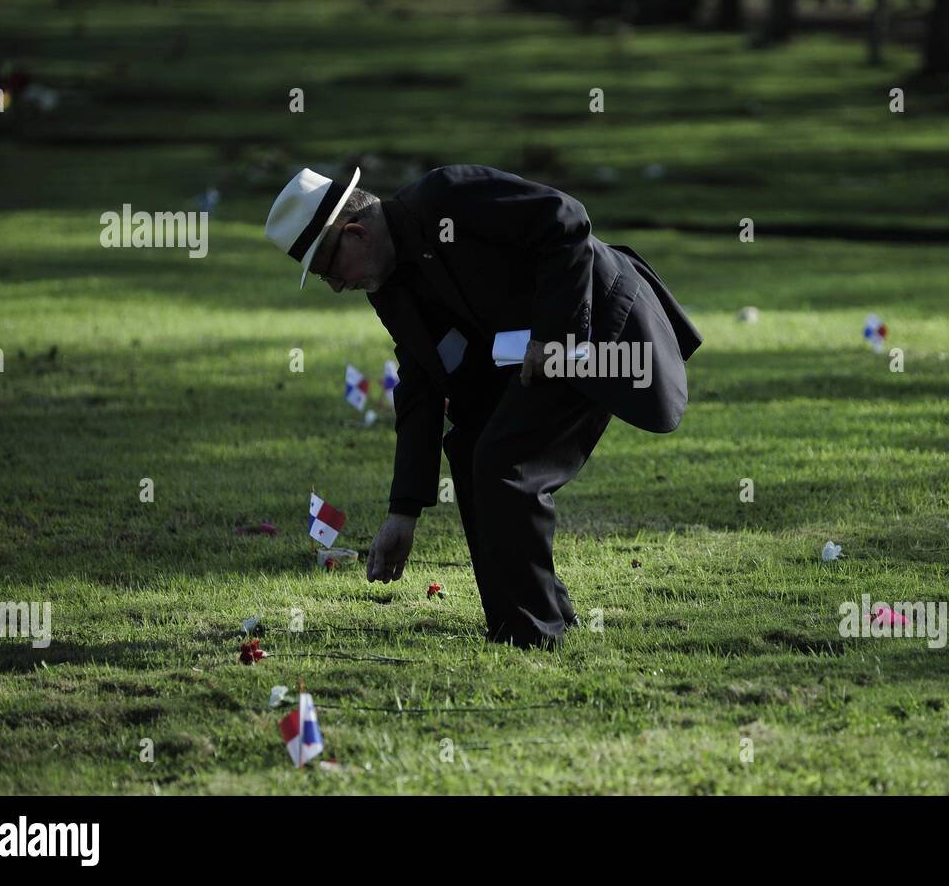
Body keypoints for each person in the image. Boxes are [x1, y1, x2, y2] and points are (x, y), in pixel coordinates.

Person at [265, 164, 701, 648]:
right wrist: (403, 510)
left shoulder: (446, 196)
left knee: (502, 460)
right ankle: (531, 615)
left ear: (356, 233)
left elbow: (567, 222)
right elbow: (420, 385)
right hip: (530, 359)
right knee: (472, 449)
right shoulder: (387, 292)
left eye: (329, 269)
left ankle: (530, 634)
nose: (336, 287)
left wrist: (554, 337)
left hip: (596, 330)